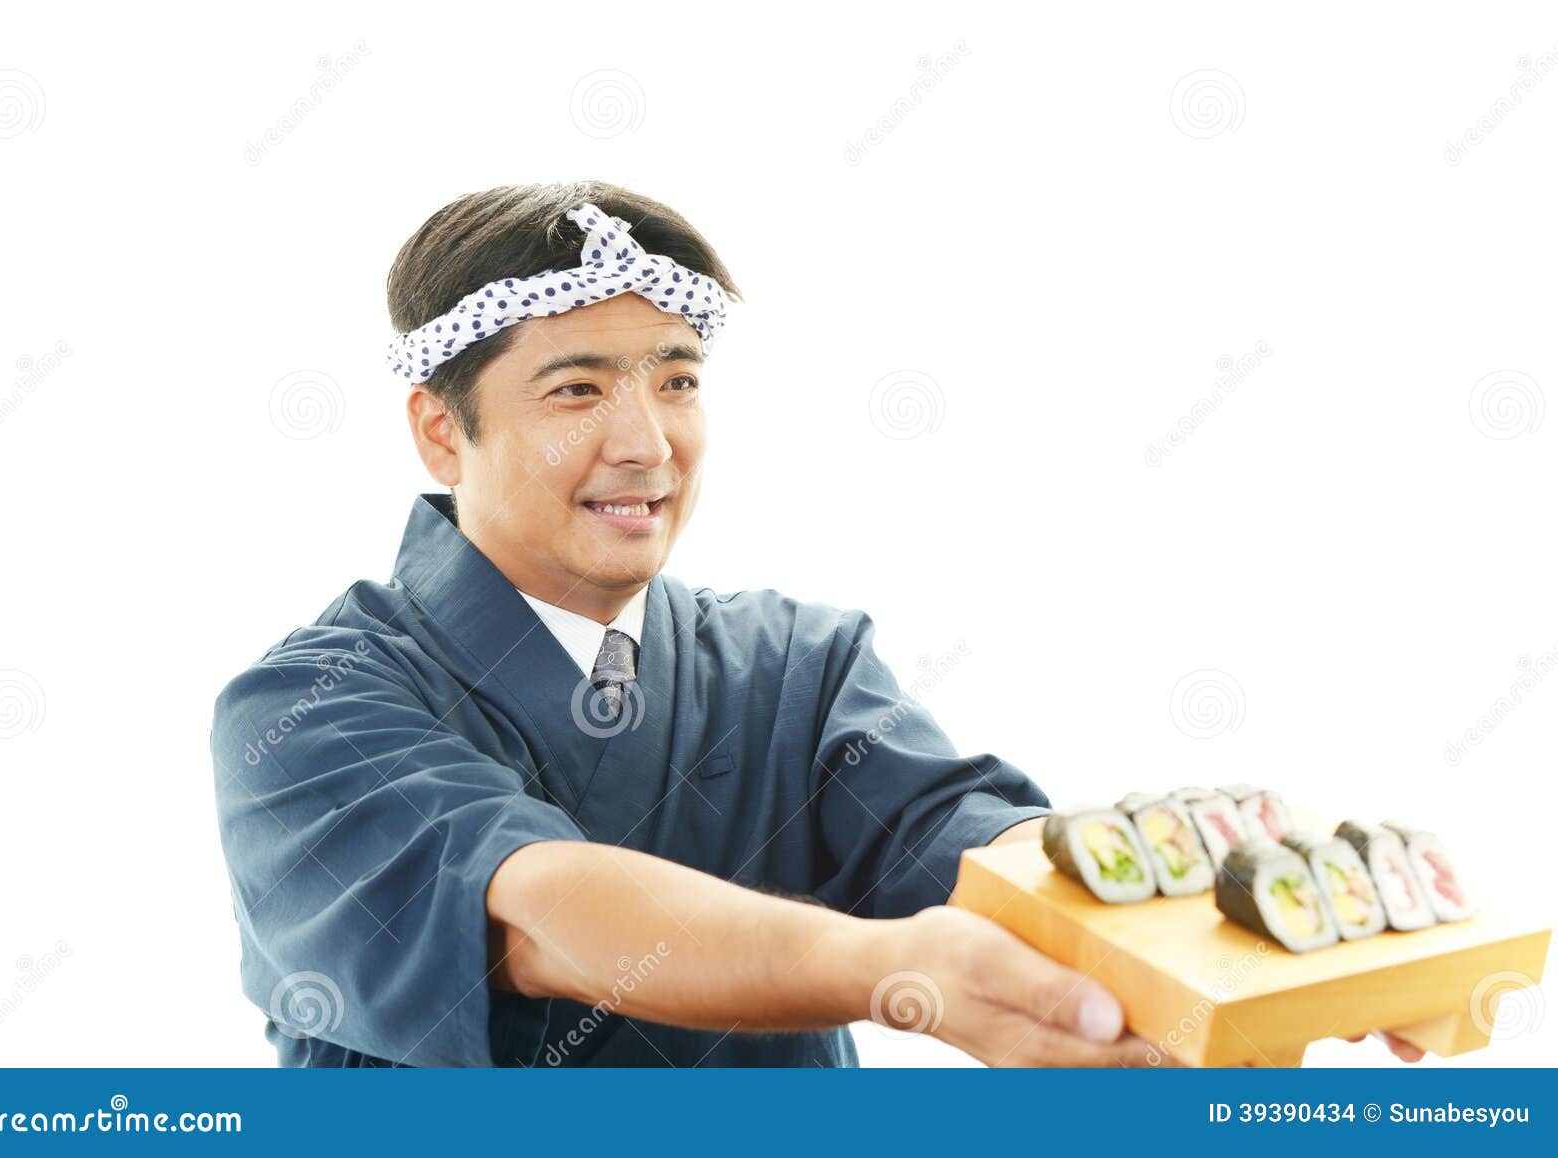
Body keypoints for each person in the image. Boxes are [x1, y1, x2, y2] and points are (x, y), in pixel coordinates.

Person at [210, 181, 1422, 1068]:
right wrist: (899, 969)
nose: (646, 442)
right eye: (577, 387)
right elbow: (542, 905)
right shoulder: (307, 709)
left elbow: (975, 852)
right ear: (438, 428)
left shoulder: (795, 663)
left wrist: (1211, 937)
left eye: (677, 380)